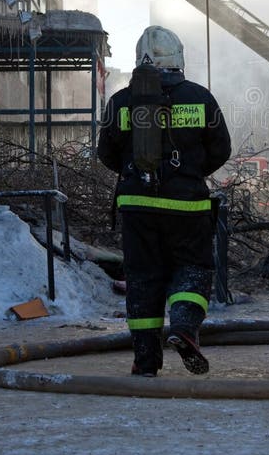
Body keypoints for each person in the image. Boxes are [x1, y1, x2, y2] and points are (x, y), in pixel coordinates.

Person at [97, 25, 231, 377]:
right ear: (178, 58)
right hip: (188, 208)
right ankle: (185, 328)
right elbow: (222, 149)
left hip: (137, 208)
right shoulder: (201, 98)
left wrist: (134, 175)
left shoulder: (120, 102)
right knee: (193, 270)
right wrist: (188, 174)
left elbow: (106, 153)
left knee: (143, 280)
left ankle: (145, 362)